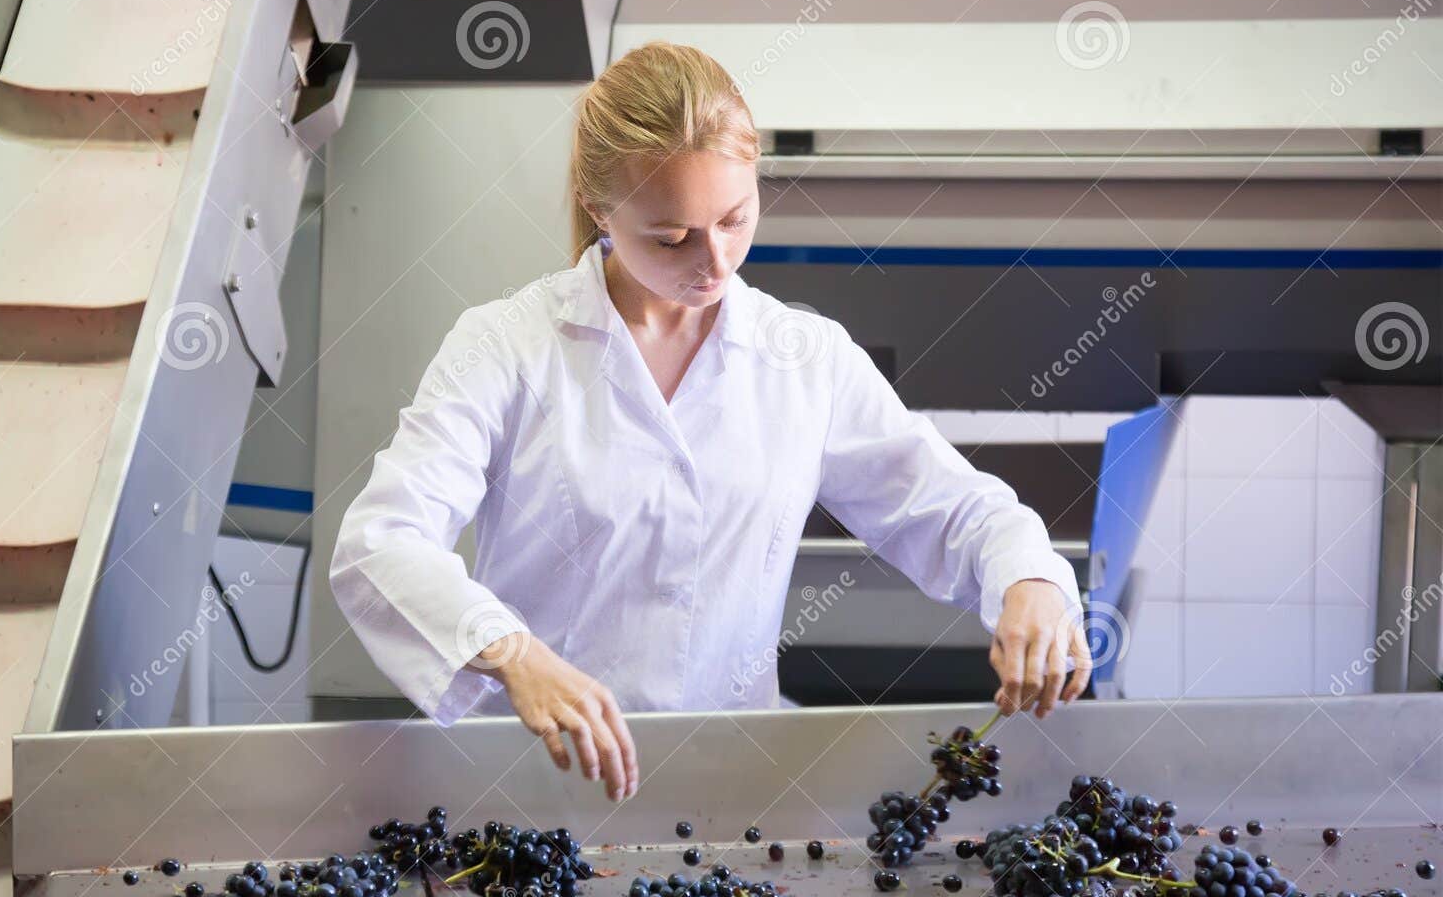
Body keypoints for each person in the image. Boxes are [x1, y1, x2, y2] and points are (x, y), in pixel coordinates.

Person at [331, 42, 1089, 804]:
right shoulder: (507, 346)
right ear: (601, 211)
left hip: (733, 789)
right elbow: (381, 543)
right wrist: (514, 654)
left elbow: (950, 507)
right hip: (528, 789)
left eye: (735, 218)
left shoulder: (803, 359)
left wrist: (1029, 577)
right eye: (671, 237)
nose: (715, 259)